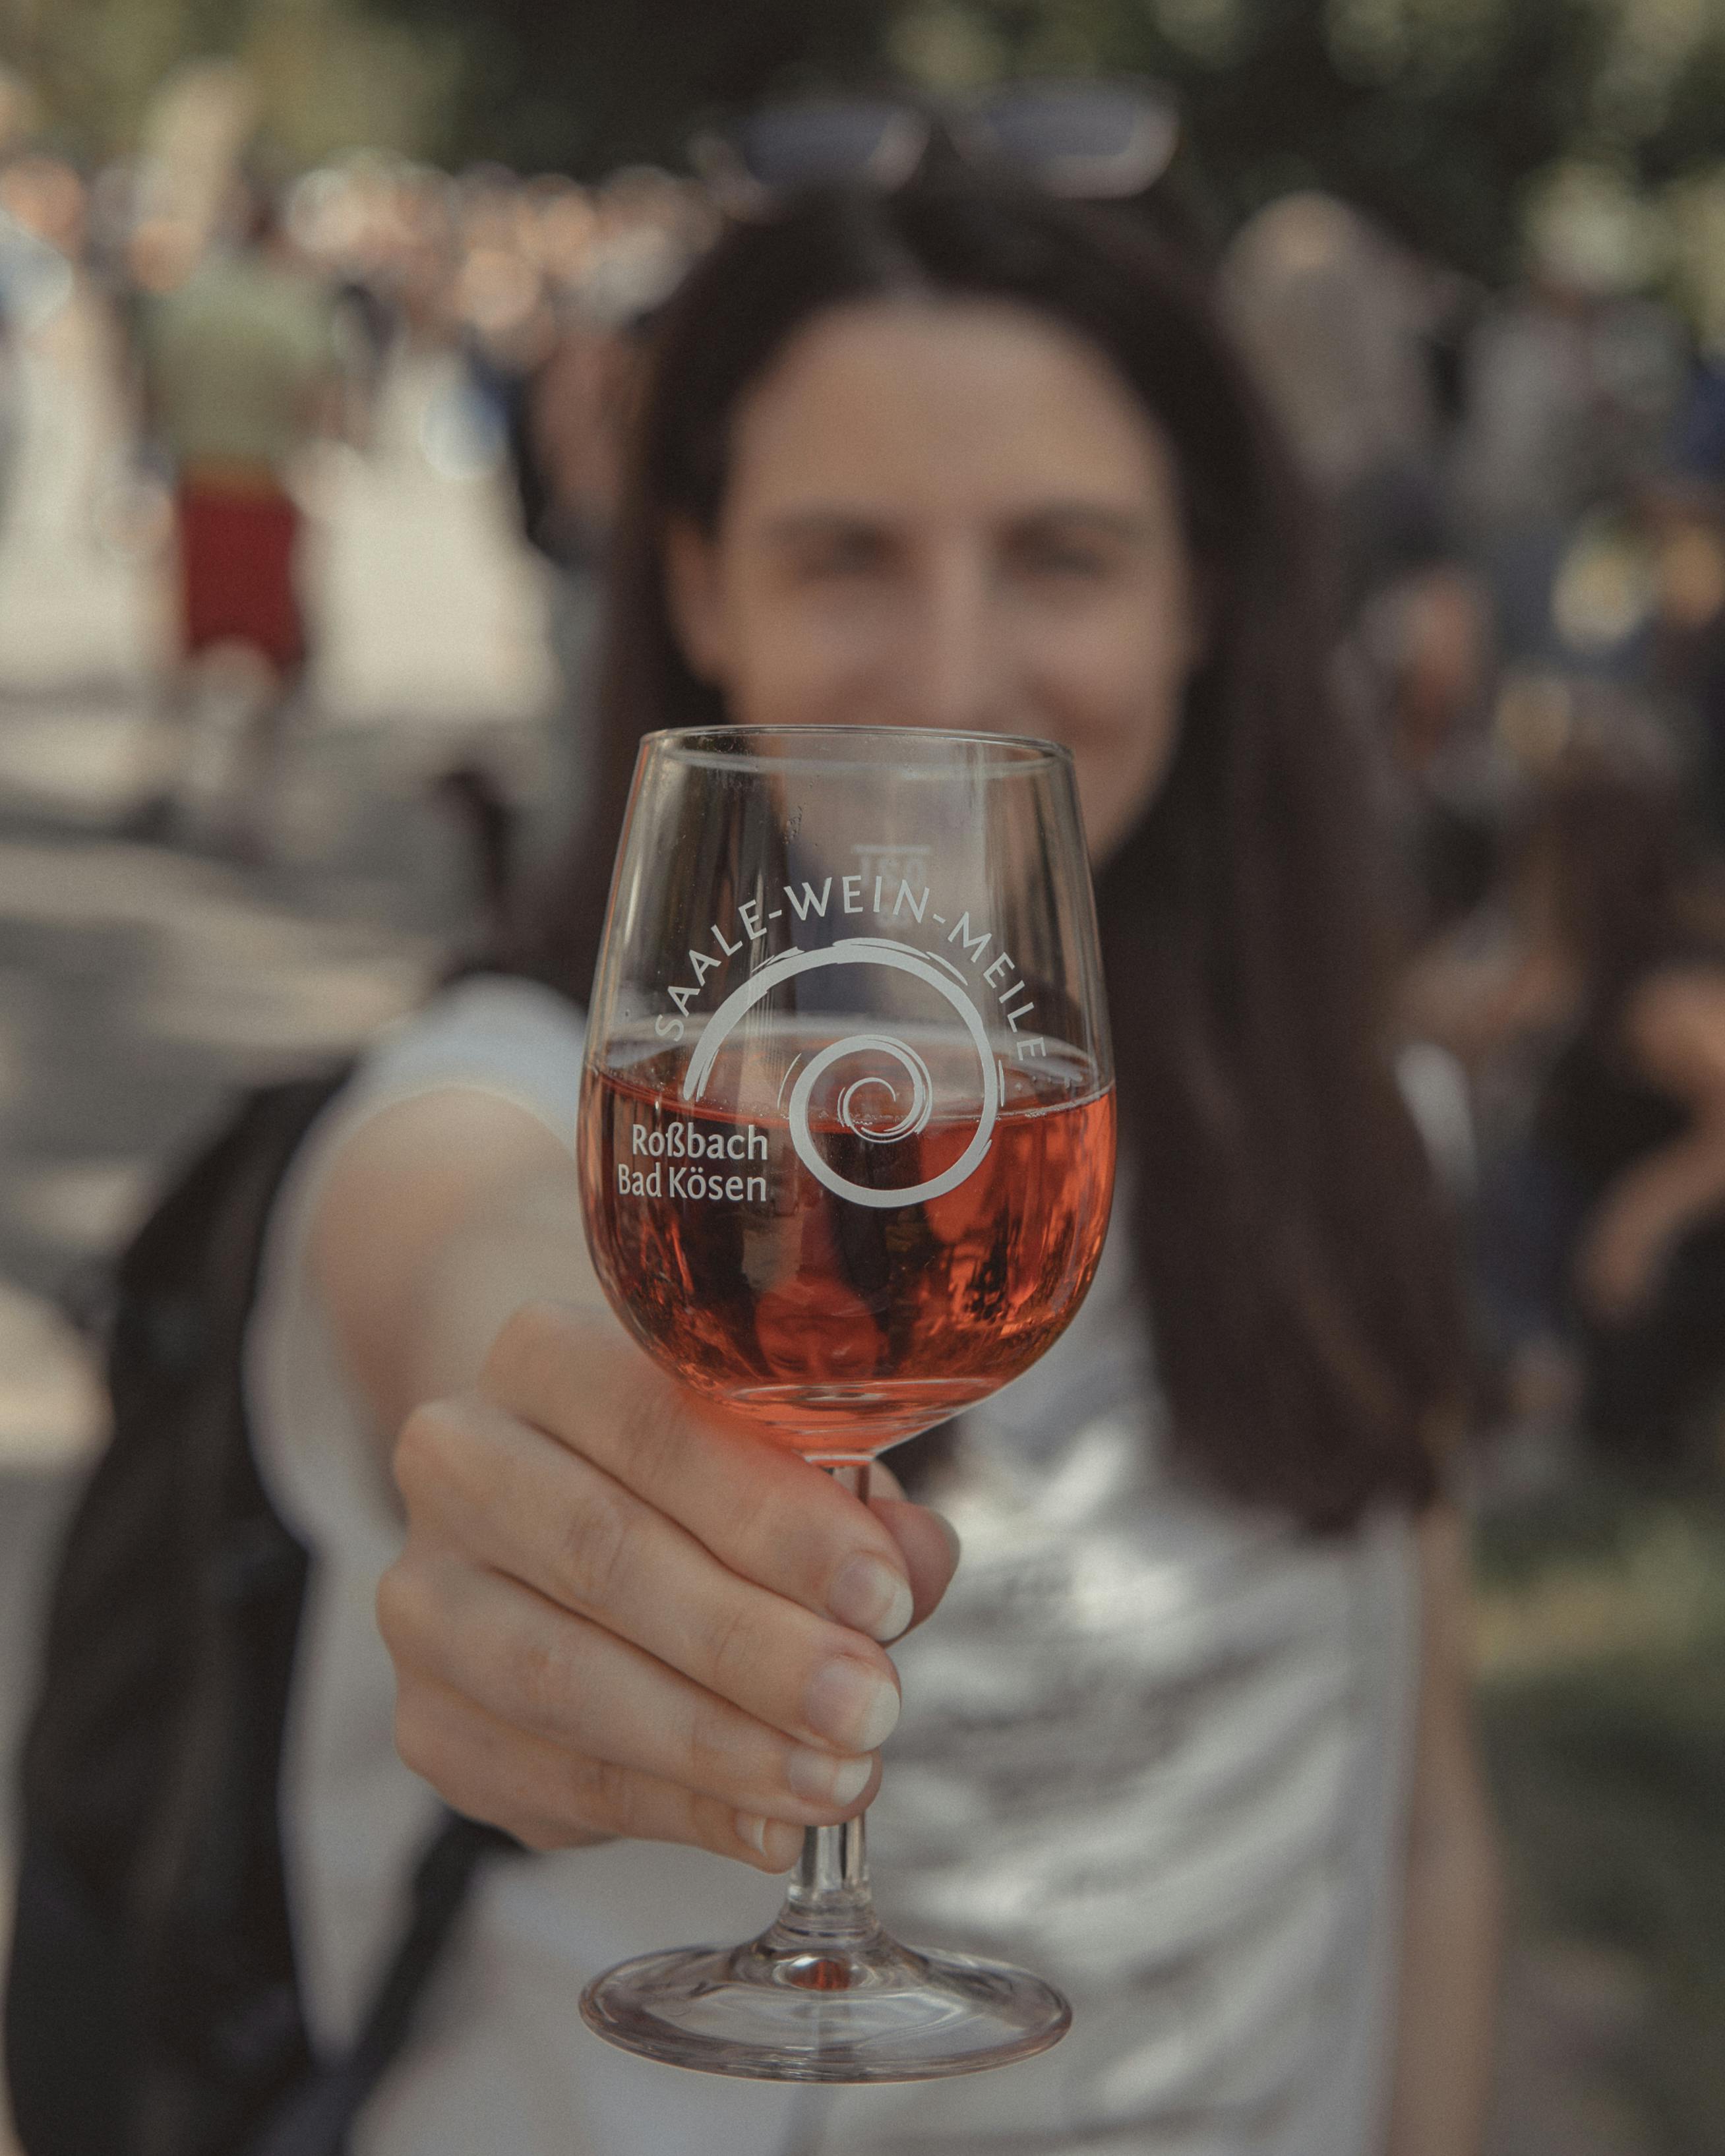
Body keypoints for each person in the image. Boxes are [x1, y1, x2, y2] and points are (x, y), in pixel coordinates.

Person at [243, 174, 1500, 2155]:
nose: (948, 664)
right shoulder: (503, 1083)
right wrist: (560, 1485)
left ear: (1199, 599)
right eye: (845, 556)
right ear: (697, 585)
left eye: (1059, 558)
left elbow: (1416, 1833)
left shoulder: (1359, 1138)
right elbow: (458, 1256)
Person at [128, 175, 341, 858]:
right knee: (274, 659)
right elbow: (321, 402)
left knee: (187, 647)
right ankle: (249, 805)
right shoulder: (295, 308)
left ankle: (165, 780)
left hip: (201, 485)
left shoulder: (191, 302)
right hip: (264, 489)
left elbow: (151, 392)